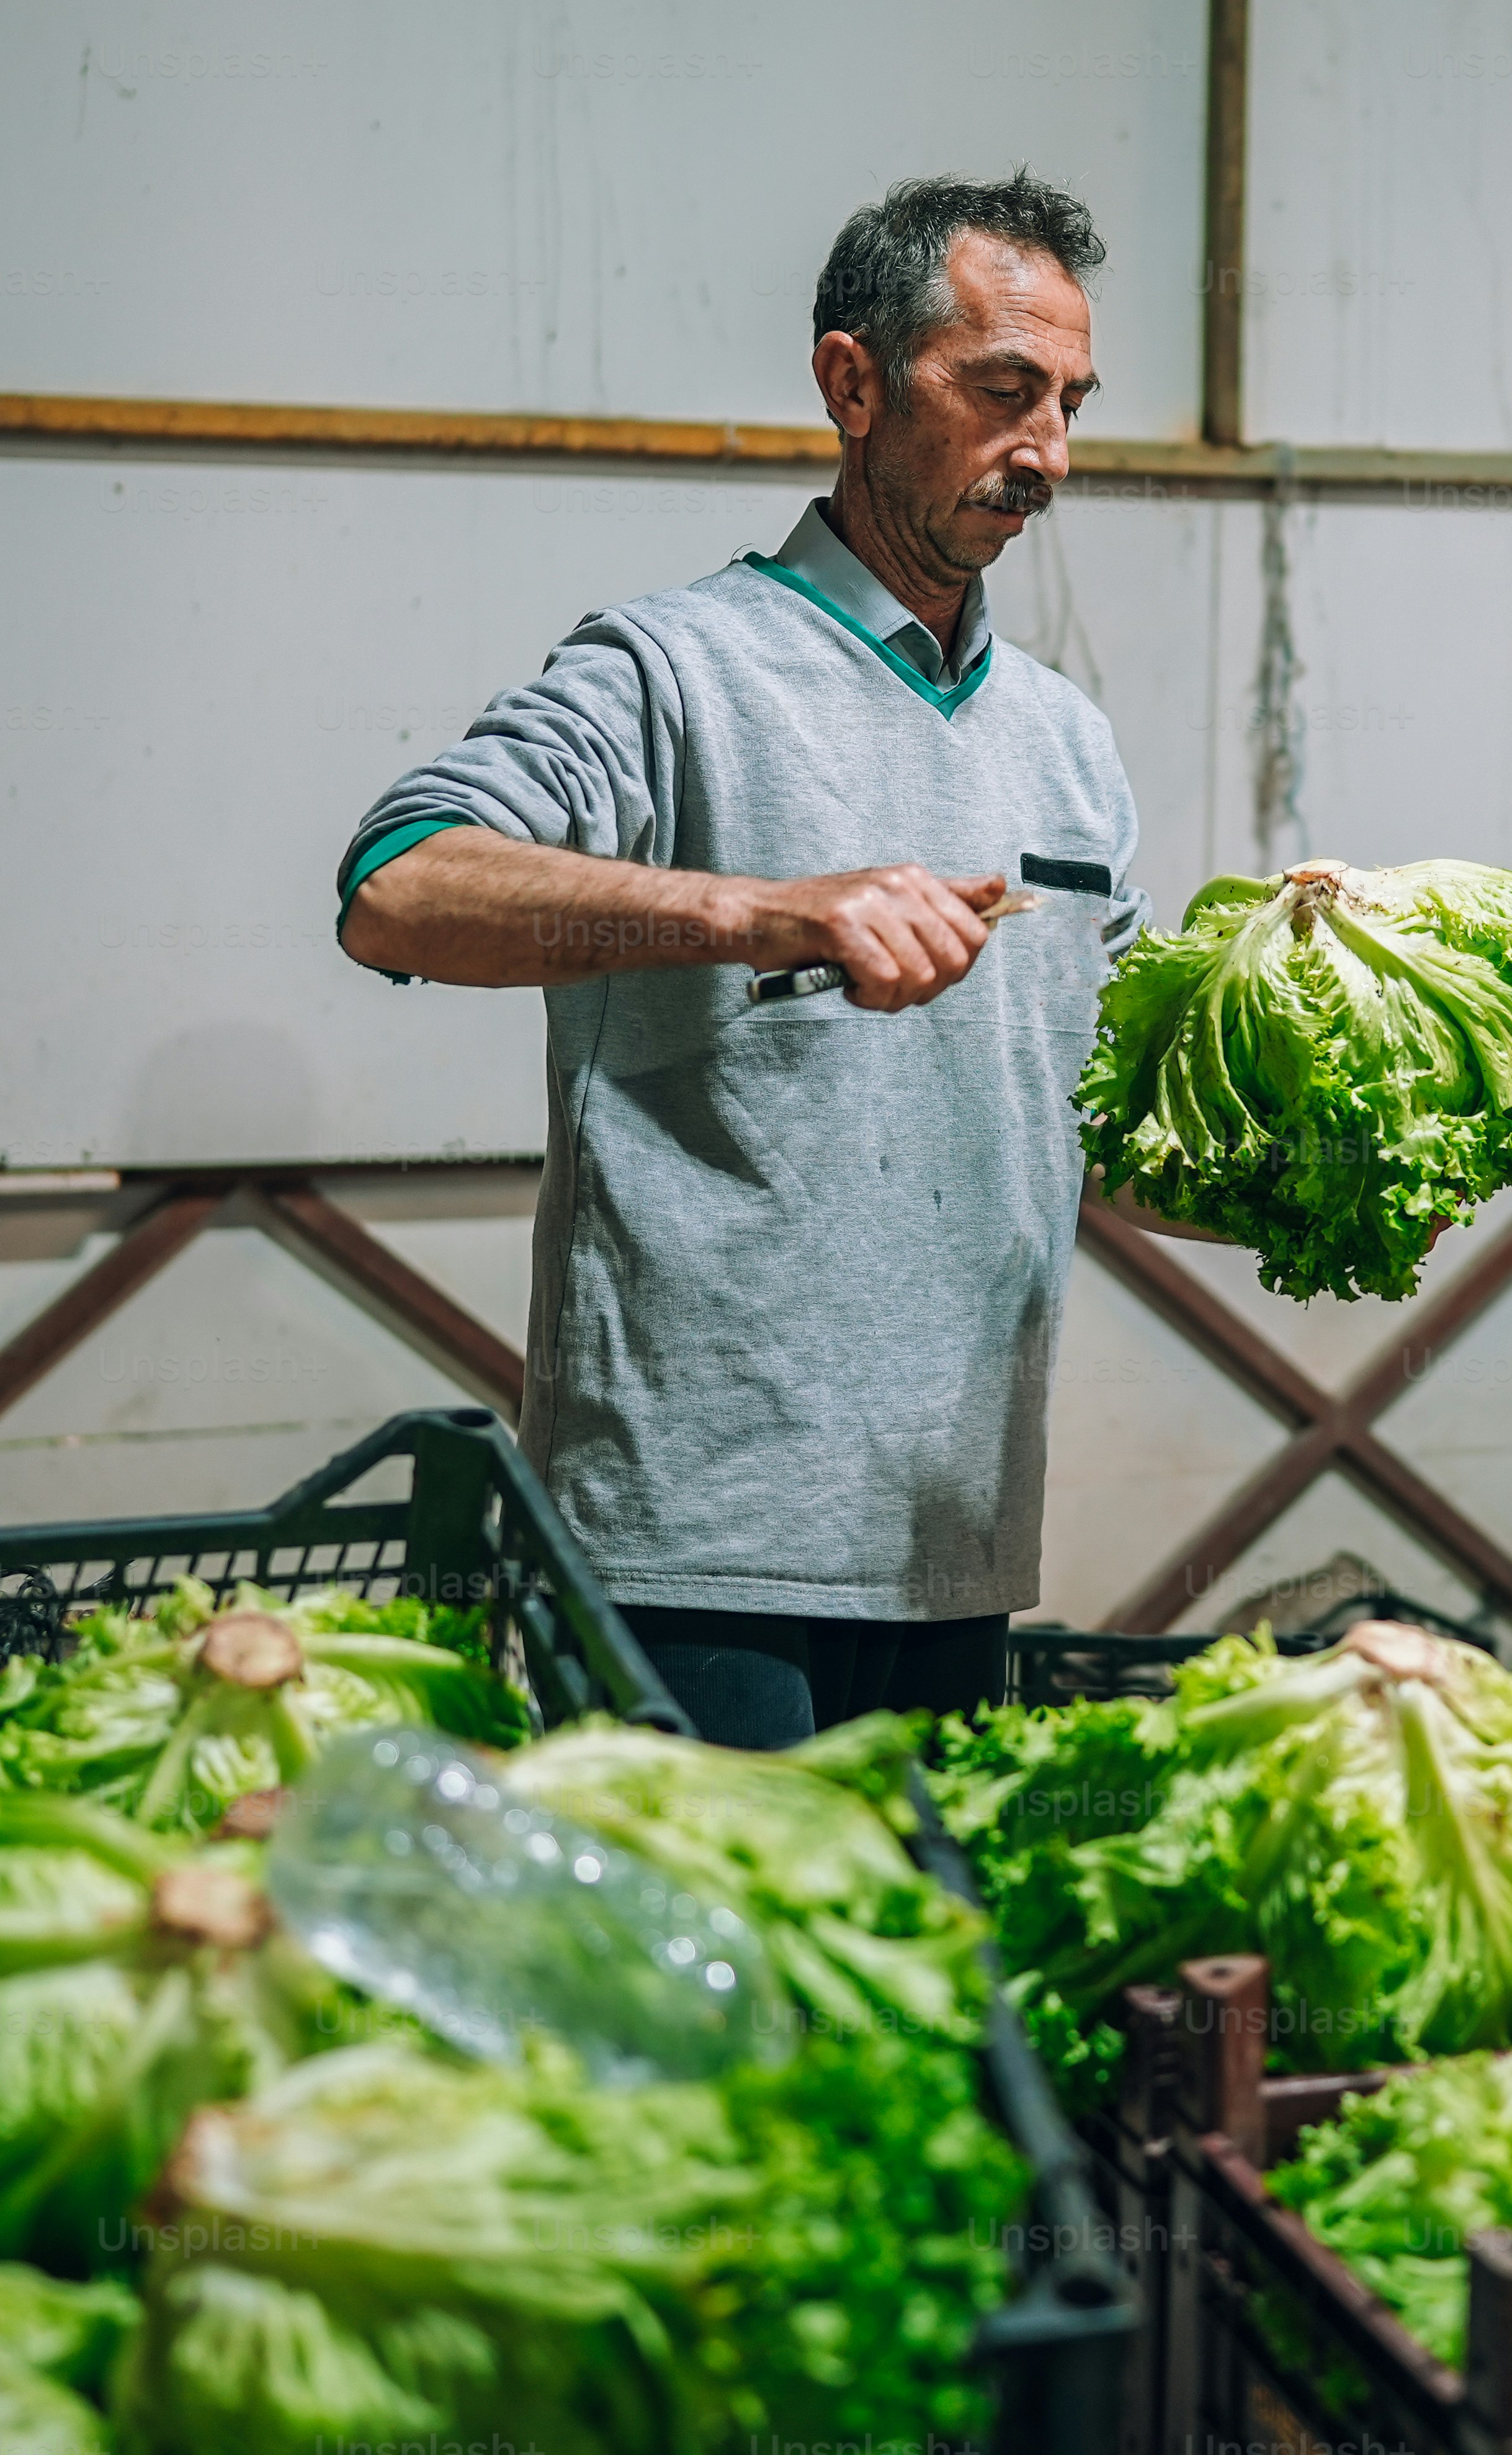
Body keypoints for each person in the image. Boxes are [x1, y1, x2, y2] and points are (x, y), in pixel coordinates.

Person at [336, 173, 1147, 1748]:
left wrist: (1339, 1166)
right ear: (851, 382)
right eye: (1000, 392)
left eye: (1067, 404)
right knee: (699, 1995)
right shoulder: (674, 670)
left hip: (957, 1544)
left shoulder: (1069, 743)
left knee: (904, 1988)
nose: (1044, 450)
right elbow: (397, 884)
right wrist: (762, 911)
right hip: (691, 1555)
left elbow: (1083, 1126)